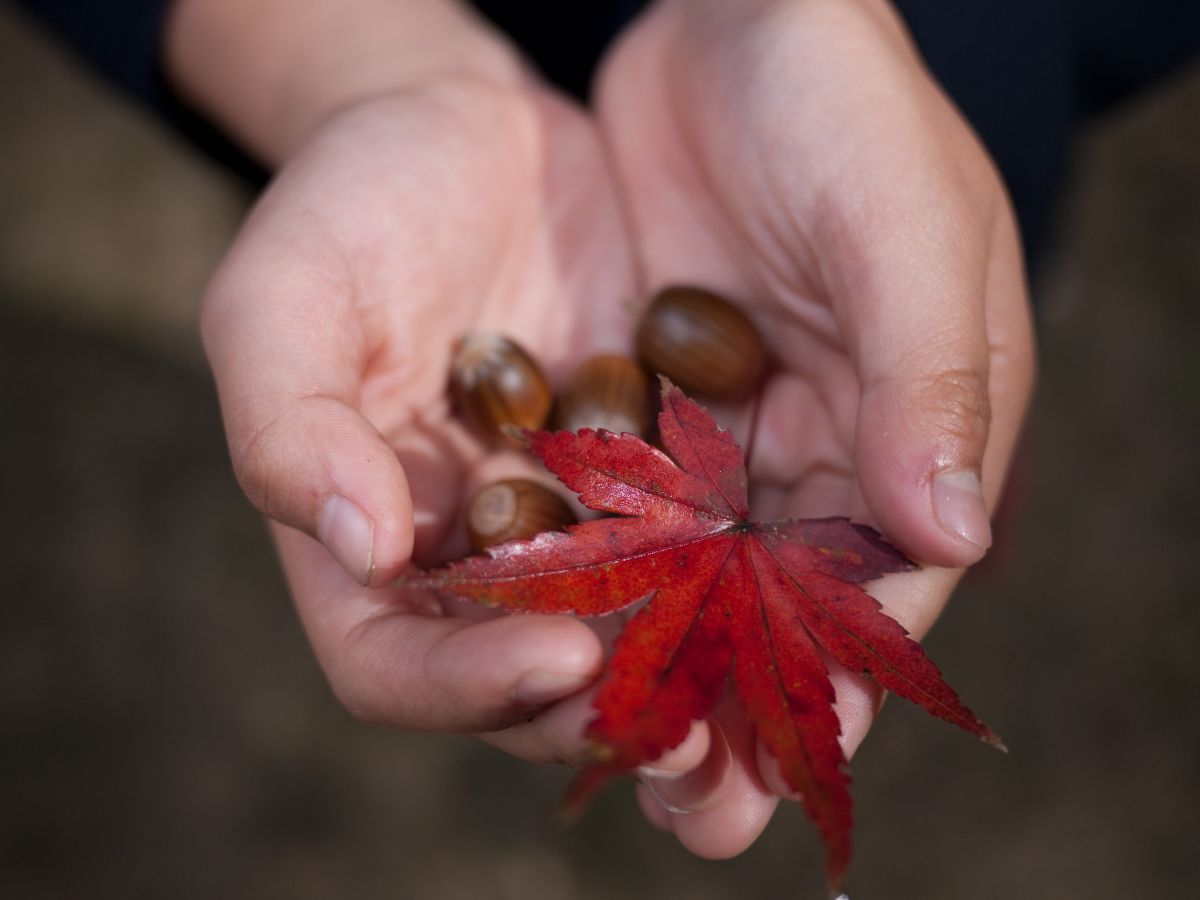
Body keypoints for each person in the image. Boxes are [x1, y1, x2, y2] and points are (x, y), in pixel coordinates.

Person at [15, 0, 1195, 860]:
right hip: (448, 82)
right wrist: (351, 60)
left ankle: (991, 360)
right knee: (932, 377)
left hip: (974, 65)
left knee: (952, 301)